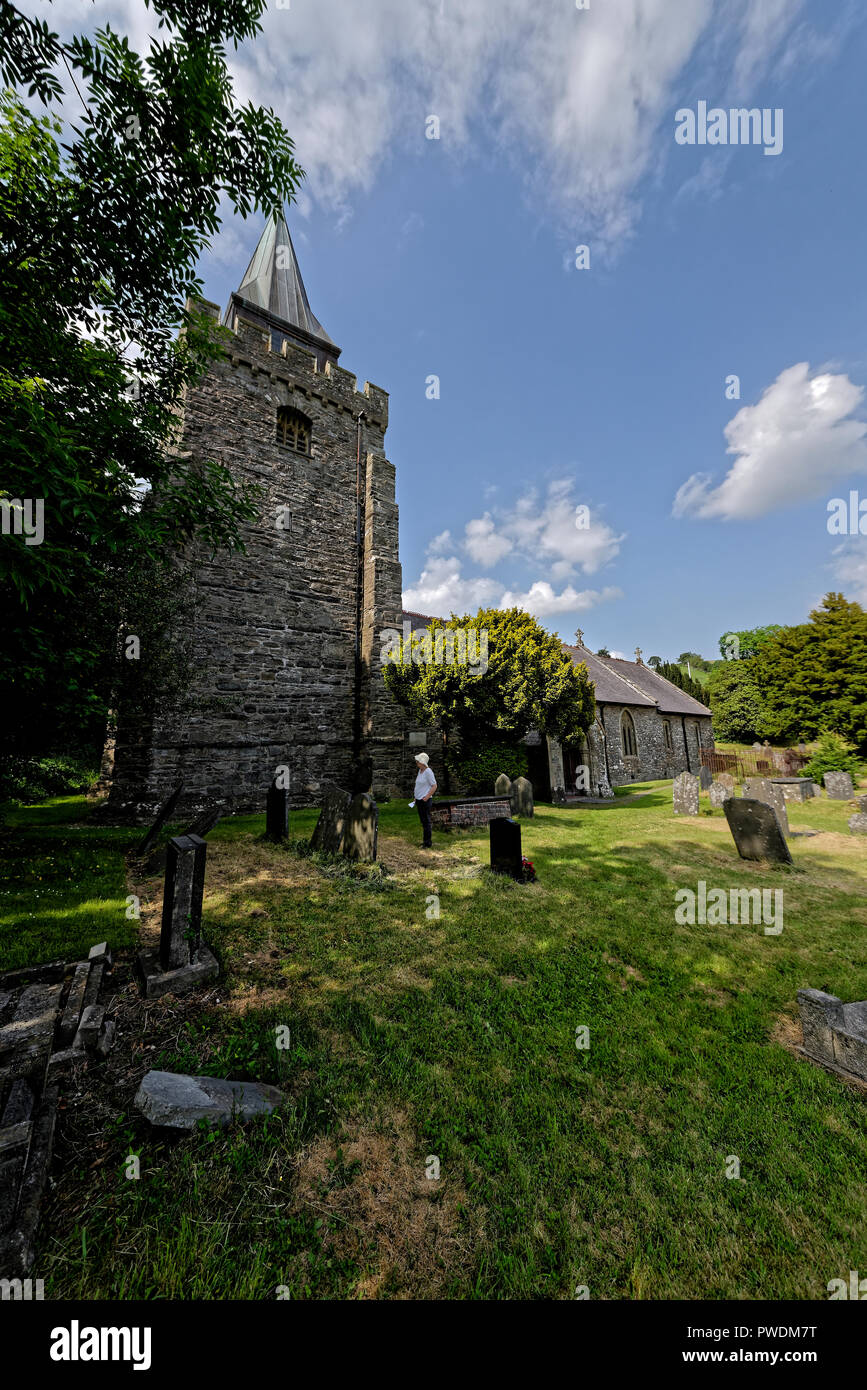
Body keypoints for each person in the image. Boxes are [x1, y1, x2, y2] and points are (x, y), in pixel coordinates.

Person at [412, 752, 437, 849]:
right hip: (419, 800)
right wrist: (415, 796)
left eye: (418, 761)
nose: (417, 763)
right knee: (423, 822)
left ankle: (427, 843)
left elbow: (434, 786)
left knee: (426, 822)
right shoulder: (420, 771)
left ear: (423, 762)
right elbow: (418, 785)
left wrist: (427, 796)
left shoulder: (428, 771)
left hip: (425, 801)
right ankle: (425, 841)